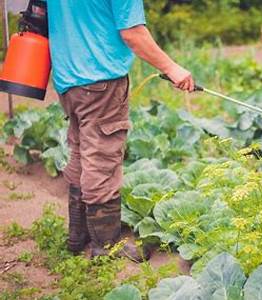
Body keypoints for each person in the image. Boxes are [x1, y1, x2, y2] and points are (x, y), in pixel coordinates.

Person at [45, 0, 194, 262]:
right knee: (102, 160)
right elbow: (132, 33)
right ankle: (106, 246)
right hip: (100, 80)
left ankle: (77, 237)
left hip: (68, 79)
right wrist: (172, 68)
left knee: (81, 153)